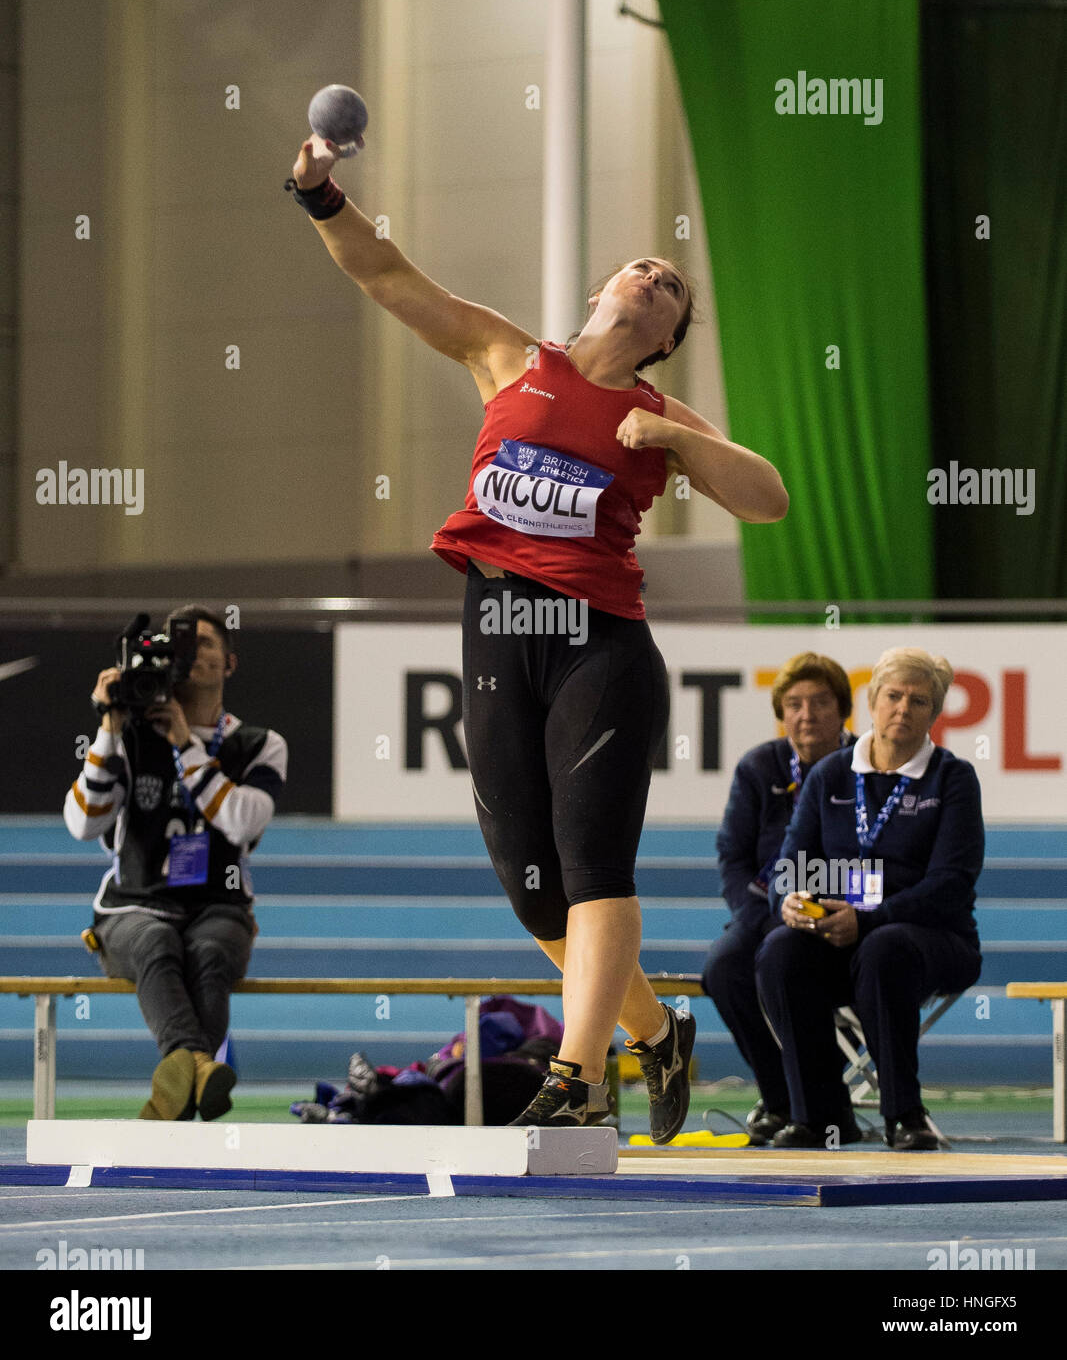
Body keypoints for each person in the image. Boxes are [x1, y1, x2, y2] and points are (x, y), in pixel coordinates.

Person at [287, 136, 788, 1139]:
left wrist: (682, 442)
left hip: (598, 642)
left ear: (666, 335)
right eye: (642, 267)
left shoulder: (652, 410)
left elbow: (766, 498)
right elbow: (386, 274)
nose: (653, 277)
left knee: (592, 861)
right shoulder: (506, 357)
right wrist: (316, 193)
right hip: (494, 624)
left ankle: (578, 1075)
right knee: (531, 888)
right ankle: (657, 1030)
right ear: (606, 289)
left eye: (672, 288)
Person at [64, 605, 287, 1121]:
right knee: (156, 941)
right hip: (132, 908)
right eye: (179, 645)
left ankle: (178, 1085)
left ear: (229, 663)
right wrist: (107, 732)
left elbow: (241, 821)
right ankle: (201, 1068)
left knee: (210, 951)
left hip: (219, 905)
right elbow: (82, 824)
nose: (191, 654)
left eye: (204, 643)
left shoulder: (258, 744)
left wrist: (186, 745)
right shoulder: (130, 734)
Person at [756, 648, 983, 1150]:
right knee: (779, 951)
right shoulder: (832, 775)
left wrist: (870, 918)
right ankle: (818, 1114)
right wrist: (788, 901)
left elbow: (951, 883)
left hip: (932, 940)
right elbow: (787, 866)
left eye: (918, 701)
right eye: (893, 696)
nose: (903, 709)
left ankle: (904, 1113)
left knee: (885, 949)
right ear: (872, 701)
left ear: (935, 713)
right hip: (840, 936)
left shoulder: (953, 779)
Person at [702, 652, 854, 1144]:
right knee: (724, 967)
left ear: (844, 709)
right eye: (794, 704)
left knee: (782, 960)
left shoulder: (864, 766)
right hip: (770, 912)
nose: (806, 714)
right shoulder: (759, 766)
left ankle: (815, 1103)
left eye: (819, 702)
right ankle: (781, 1096)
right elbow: (732, 854)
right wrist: (761, 914)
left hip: (838, 915)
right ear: (781, 713)